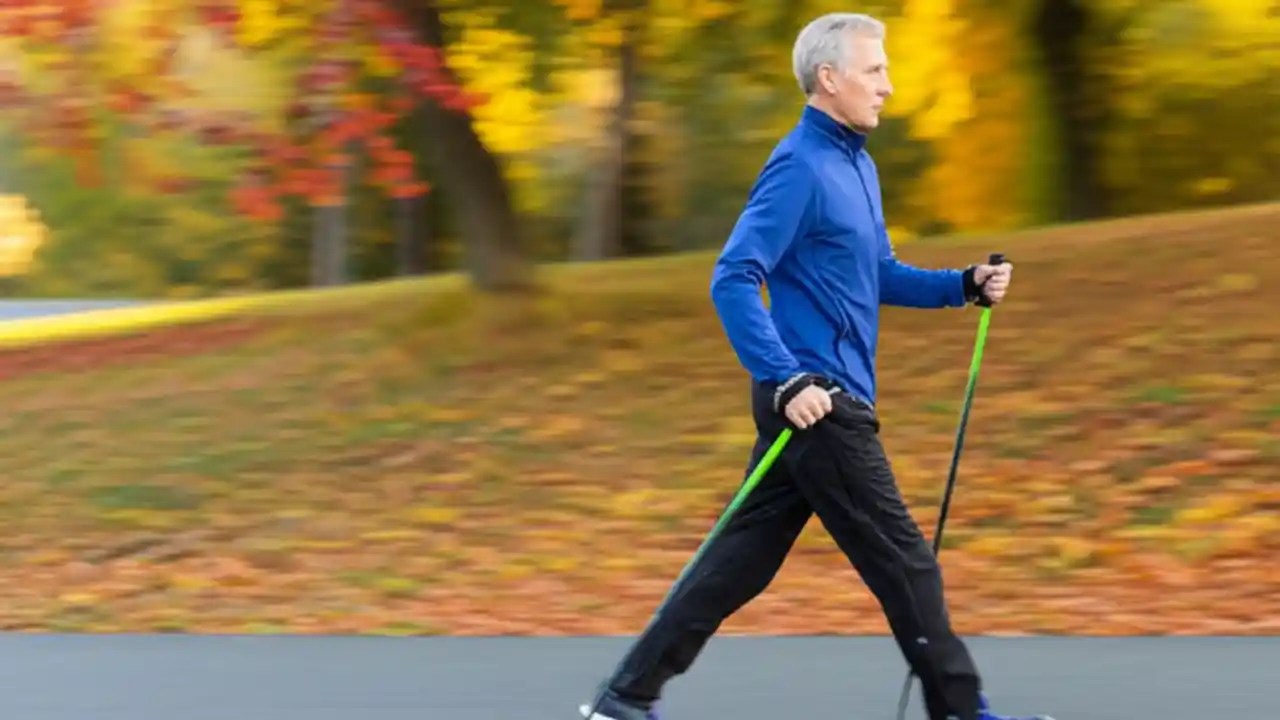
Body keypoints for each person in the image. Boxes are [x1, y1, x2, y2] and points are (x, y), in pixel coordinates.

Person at [580, 12, 1053, 720]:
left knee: (737, 564)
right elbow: (733, 276)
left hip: (812, 401)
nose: (888, 86)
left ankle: (625, 699)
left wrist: (961, 285)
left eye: (887, 70)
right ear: (829, 79)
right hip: (817, 403)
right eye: (875, 71)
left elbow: (876, 273)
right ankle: (960, 711)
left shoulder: (856, 164)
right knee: (906, 562)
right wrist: (787, 378)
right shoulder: (800, 165)